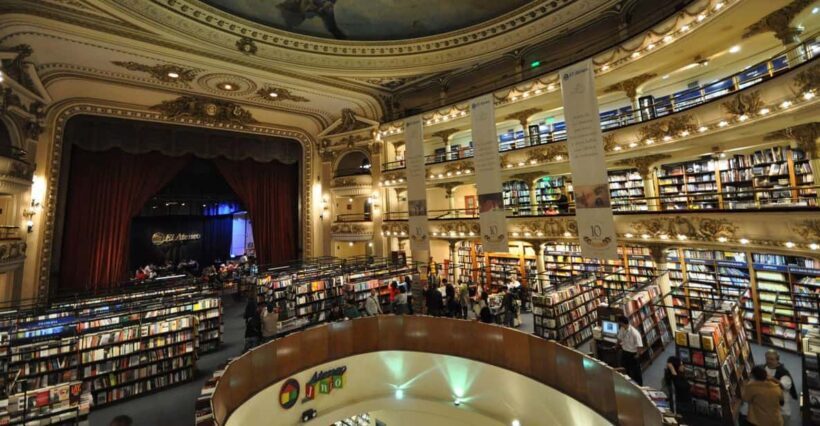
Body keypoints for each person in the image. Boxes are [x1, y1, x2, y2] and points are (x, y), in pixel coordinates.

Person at [764, 349, 797, 422]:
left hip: (782, 400)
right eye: (767, 359)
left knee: (783, 417)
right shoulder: (763, 368)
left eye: (772, 359)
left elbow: (784, 385)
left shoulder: (783, 372)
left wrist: (772, 379)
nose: (769, 361)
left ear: (777, 360)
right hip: (768, 398)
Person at [616, 316, 643, 385]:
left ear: (622, 323)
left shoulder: (635, 333)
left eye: (620, 323)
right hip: (625, 352)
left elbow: (639, 346)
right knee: (625, 369)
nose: (619, 324)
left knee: (636, 372)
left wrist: (637, 355)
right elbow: (619, 338)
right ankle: (628, 384)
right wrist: (616, 346)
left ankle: (640, 386)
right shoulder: (622, 329)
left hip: (633, 354)